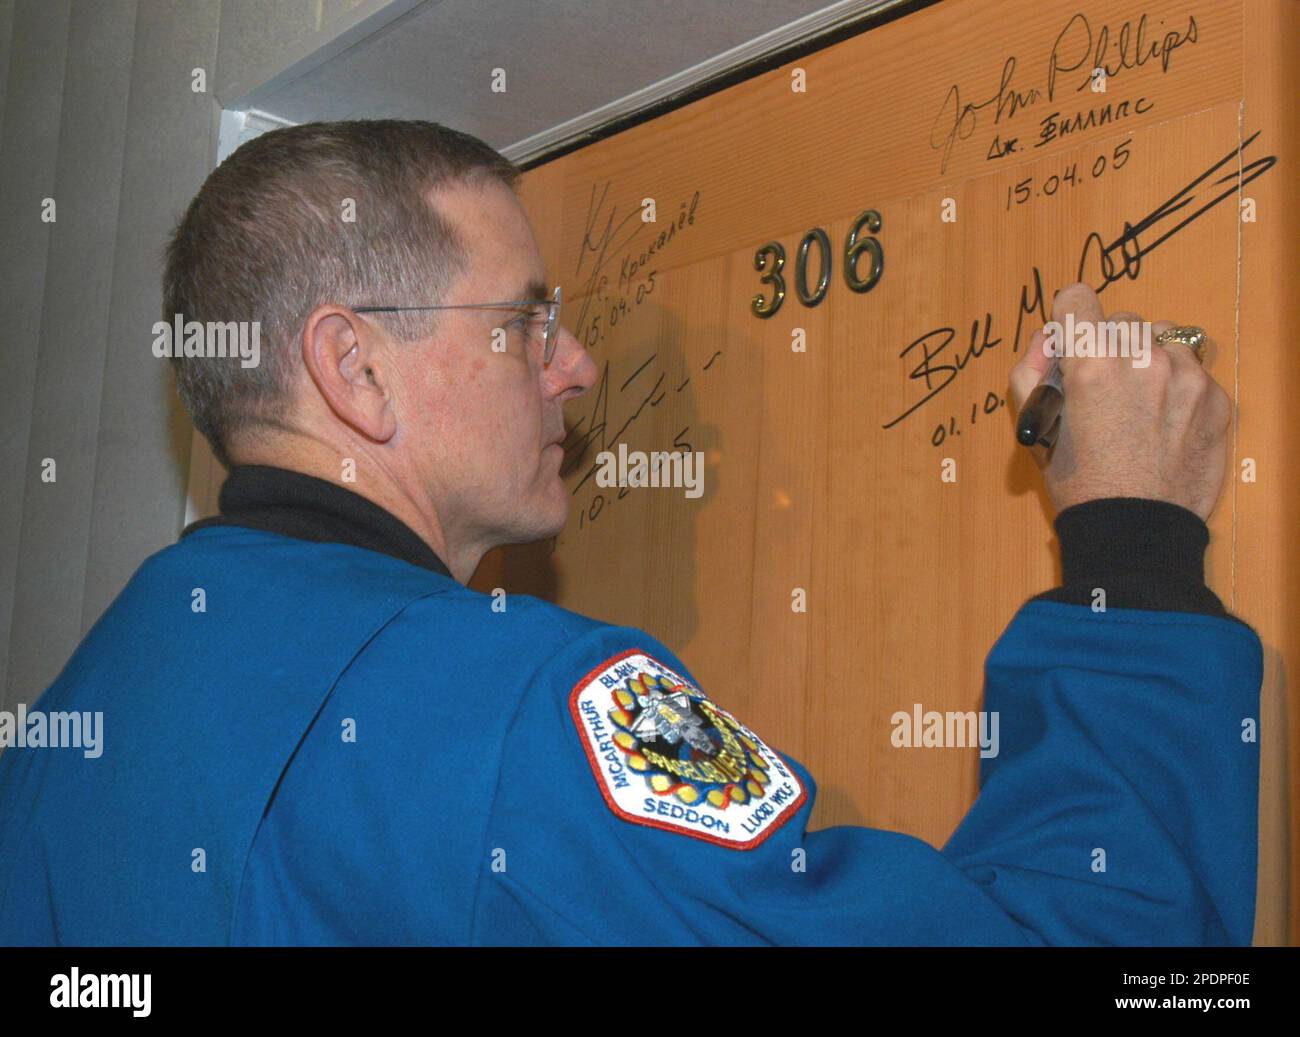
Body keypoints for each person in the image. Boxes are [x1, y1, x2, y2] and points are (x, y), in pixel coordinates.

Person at [0, 120, 1260, 946]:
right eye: (527, 321)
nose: (578, 365)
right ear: (354, 371)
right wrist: (1132, 548)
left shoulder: (63, 740)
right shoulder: (528, 707)